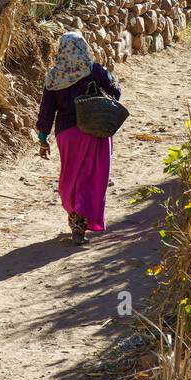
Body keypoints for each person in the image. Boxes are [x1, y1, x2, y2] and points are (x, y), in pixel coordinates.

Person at [36, 31, 122, 245]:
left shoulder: (54, 76)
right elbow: (116, 93)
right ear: (83, 47)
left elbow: (47, 110)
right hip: (95, 130)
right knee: (92, 177)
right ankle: (80, 222)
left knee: (71, 177)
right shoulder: (94, 70)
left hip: (67, 135)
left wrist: (42, 137)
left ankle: (75, 217)